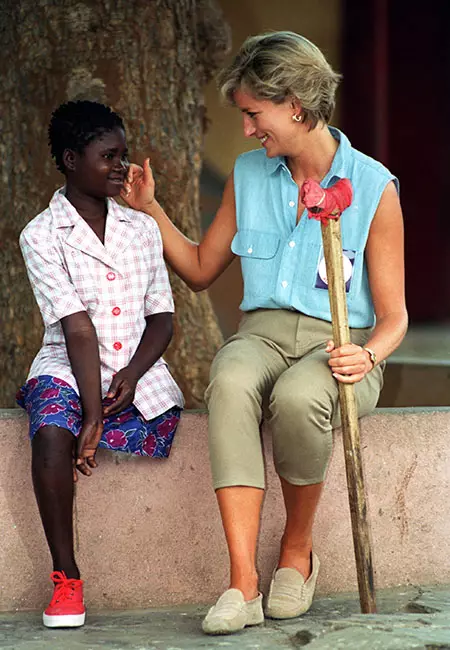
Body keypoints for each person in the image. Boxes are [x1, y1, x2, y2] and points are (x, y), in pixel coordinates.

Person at [123, 31, 407, 635]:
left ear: (296, 105)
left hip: (342, 341)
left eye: (254, 114)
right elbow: (202, 269)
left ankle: (296, 557)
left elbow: (396, 317)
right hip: (263, 332)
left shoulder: (376, 188)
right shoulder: (250, 176)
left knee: (303, 397)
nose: (248, 130)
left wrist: (368, 355)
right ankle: (242, 583)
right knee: (229, 378)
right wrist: (152, 211)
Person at [17, 100, 184, 628]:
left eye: (123, 154)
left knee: (145, 415)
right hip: (68, 363)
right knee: (50, 433)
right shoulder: (40, 235)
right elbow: (77, 329)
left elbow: (163, 319)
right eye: (107, 156)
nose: (122, 167)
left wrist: (132, 375)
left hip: (135, 365)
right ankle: (66, 578)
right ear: (70, 159)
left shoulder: (142, 230)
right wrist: (91, 416)